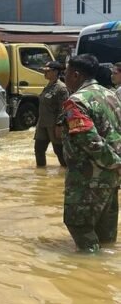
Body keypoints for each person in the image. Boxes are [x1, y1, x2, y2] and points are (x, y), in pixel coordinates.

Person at [60, 54, 121, 252]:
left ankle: (89, 276)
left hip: (87, 181)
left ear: (76, 75)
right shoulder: (111, 96)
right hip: (111, 180)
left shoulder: (76, 102)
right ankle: (106, 278)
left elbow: (89, 140)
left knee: (81, 228)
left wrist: (114, 162)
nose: (65, 78)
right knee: (106, 238)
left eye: (66, 74)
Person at [34, 61, 69, 167]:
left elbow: (63, 109)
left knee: (59, 151)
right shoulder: (48, 85)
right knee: (38, 149)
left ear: (55, 72)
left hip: (54, 125)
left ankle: (65, 172)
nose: (45, 73)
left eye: (47, 71)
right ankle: (41, 175)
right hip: (42, 124)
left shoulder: (61, 88)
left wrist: (59, 125)